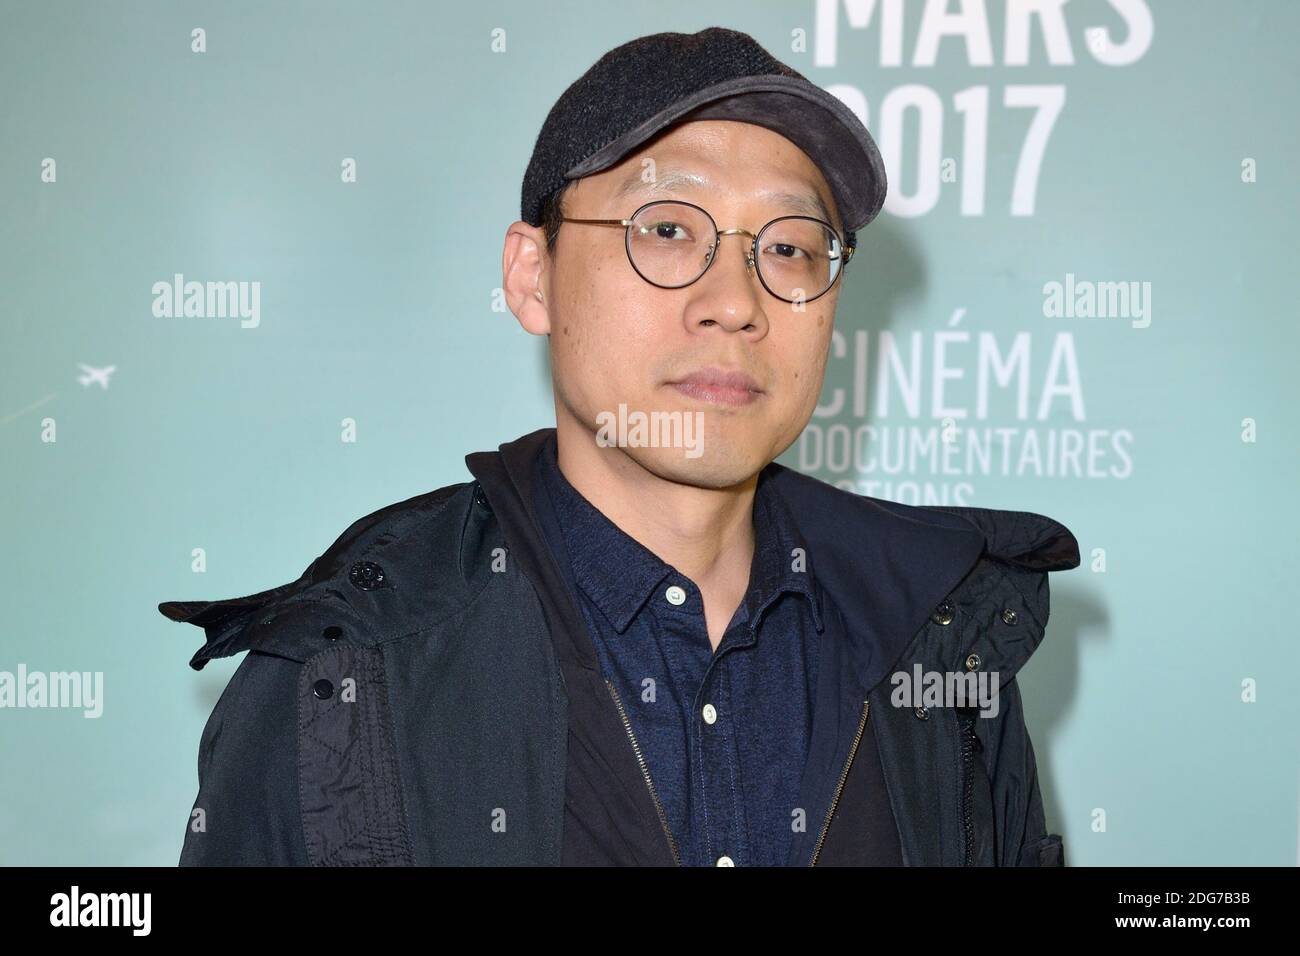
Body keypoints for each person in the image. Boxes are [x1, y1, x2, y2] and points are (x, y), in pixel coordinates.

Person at [160, 26, 1079, 866]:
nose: (736, 300)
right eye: (669, 230)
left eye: (792, 247)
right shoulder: (347, 670)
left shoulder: (939, 641)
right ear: (533, 277)